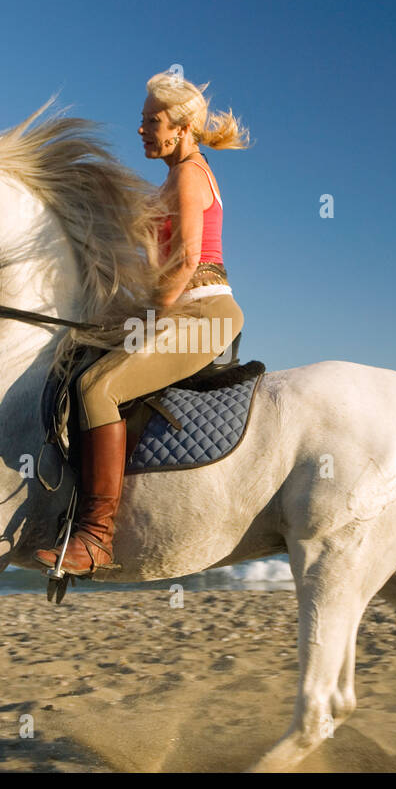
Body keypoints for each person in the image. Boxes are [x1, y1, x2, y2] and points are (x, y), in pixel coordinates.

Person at [34, 66, 250, 576]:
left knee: (96, 390)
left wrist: (150, 316)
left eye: (150, 120)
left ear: (179, 127)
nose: (141, 129)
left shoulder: (192, 174)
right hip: (182, 308)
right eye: (142, 119)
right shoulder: (170, 181)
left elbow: (188, 260)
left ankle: (97, 538)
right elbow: (156, 263)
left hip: (207, 313)